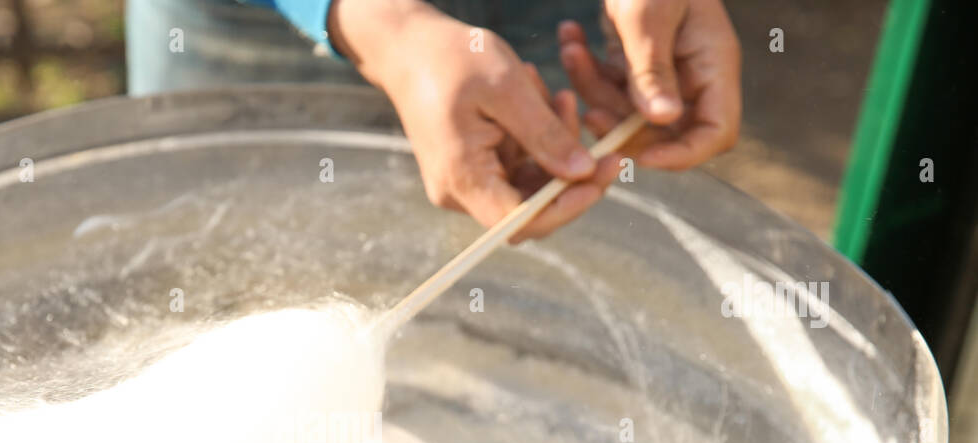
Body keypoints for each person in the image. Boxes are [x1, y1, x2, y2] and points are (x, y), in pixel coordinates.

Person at [126, 0, 741, 241]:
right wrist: (381, 25)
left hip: (554, 23)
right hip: (255, 33)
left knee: (535, 309)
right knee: (213, 296)